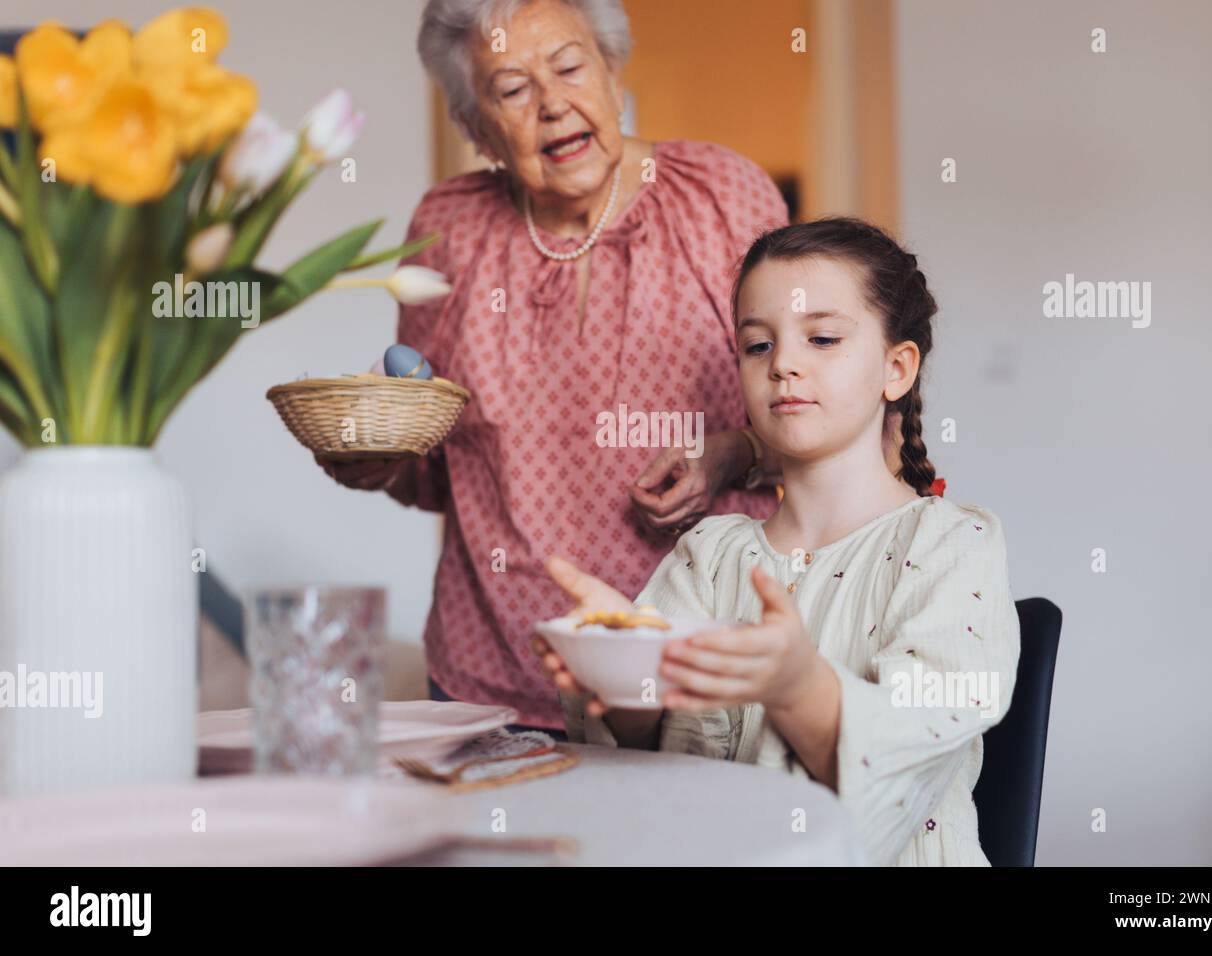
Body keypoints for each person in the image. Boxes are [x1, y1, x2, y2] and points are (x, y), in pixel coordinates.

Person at [316, 0, 807, 735]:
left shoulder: (721, 196)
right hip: (494, 678)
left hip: (698, 663)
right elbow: (433, 462)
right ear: (477, 128)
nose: (552, 105)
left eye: (570, 67)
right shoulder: (448, 230)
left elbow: (816, 405)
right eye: (512, 89)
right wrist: (379, 455)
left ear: (610, 69)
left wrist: (732, 453)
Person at [536, 217, 1020, 865]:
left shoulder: (953, 550)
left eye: (821, 338)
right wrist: (621, 669)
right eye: (758, 346)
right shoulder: (709, 555)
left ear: (897, 368)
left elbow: (899, 782)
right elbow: (642, 758)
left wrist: (798, 687)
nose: (784, 364)